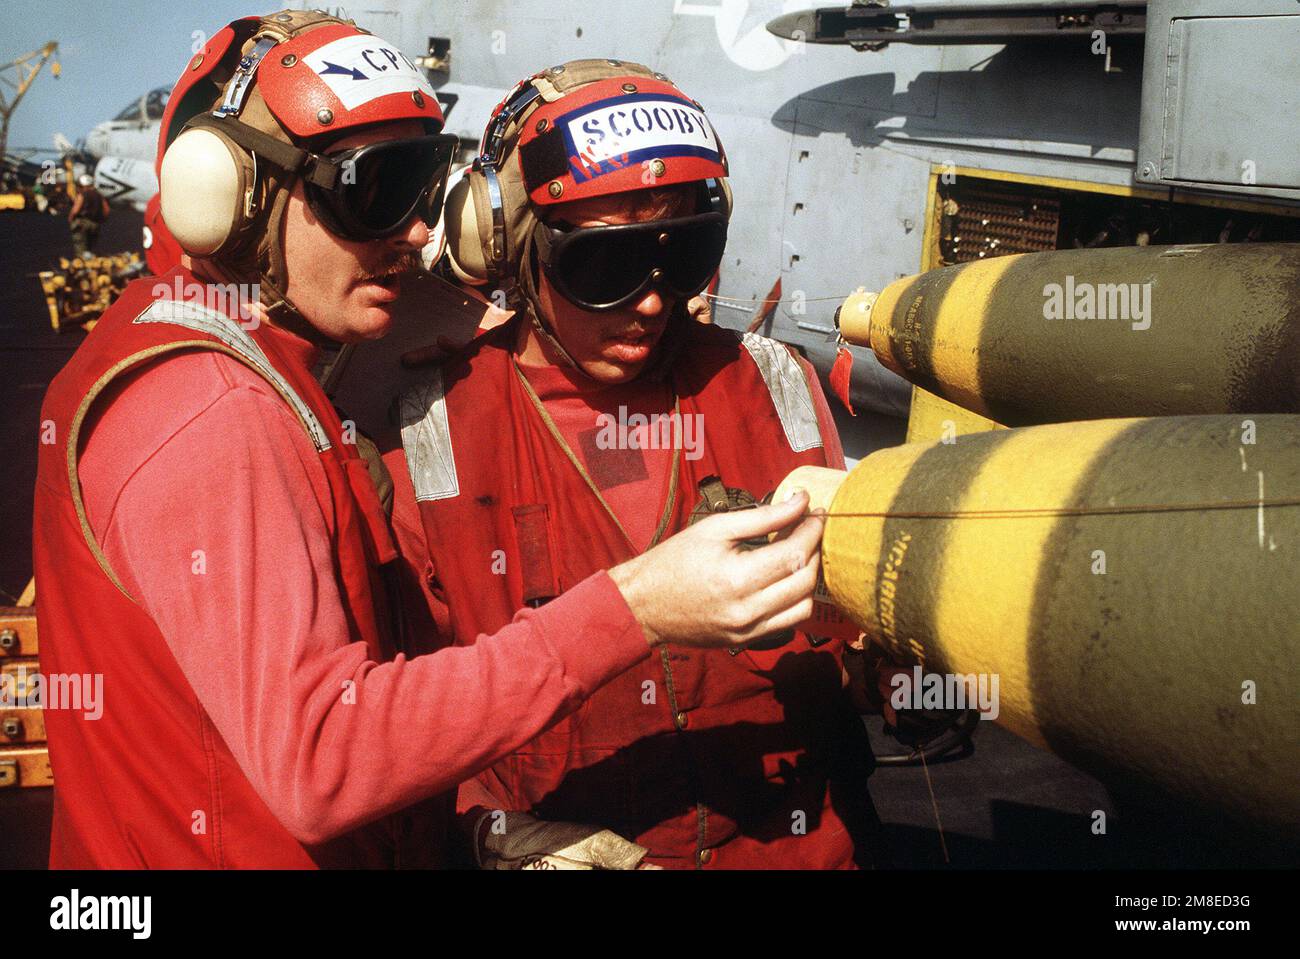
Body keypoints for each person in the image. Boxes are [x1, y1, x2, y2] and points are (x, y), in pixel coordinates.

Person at [32, 13, 826, 869]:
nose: (414, 233)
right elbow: (323, 758)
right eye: (373, 192)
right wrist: (632, 607)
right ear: (235, 194)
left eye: (420, 193)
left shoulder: (252, 367)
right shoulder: (213, 408)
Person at [387, 59, 883, 869]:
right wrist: (485, 828)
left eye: (680, 253)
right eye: (606, 265)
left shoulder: (772, 385)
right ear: (513, 244)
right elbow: (396, 720)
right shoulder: (435, 427)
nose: (652, 300)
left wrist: (895, 683)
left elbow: (842, 650)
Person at [68, 172, 109, 257]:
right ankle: (92, 265)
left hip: (82, 223)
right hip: (95, 224)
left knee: (80, 248)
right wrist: (101, 220)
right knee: (91, 249)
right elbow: (107, 210)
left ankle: (82, 266)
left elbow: (75, 210)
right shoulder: (99, 195)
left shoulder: (82, 195)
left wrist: (71, 219)